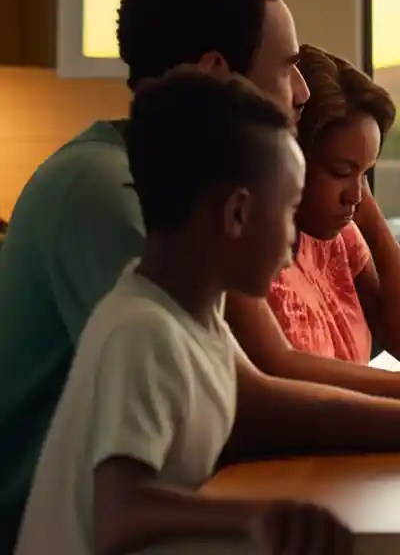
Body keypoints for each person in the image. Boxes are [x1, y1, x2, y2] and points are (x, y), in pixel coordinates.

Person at [0, 0, 400, 550]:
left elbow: (254, 391)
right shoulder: (115, 197)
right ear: (218, 74)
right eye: (287, 67)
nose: (303, 89)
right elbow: (254, 409)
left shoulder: (183, 214)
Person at [16, 68, 353, 554]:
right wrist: (258, 514)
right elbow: (120, 515)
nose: (292, 238)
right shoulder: (142, 330)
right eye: (289, 210)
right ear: (237, 214)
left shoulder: (199, 320)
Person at [226, 45, 400, 399]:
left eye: (365, 173)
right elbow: (281, 370)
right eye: (340, 171)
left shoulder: (338, 236)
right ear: (290, 155)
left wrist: (367, 210)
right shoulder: (242, 246)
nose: (354, 195)